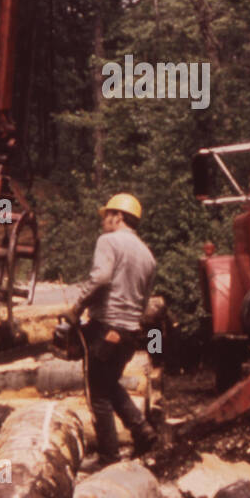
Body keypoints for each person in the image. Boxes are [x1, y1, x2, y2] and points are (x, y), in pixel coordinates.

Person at [65, 193, 158, 466]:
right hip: (129, 331)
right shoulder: (147, 255)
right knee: (108, 383)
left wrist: (77, 307)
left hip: (107, 325)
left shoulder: (108, 241)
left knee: (98, 392)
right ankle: (142, 431)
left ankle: (108, 456)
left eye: (107, 216)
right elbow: (143, 300)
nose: (103, 222)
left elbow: (101, 278)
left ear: (118, 216)